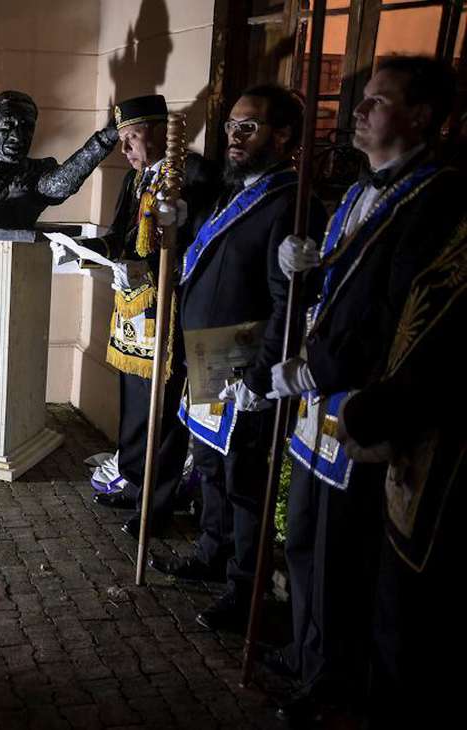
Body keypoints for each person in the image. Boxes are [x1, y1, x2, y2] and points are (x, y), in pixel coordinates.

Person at [269, 55, 462, 723]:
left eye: (376, 102)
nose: (358, 112)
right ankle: (306, 649)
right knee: (302, 537)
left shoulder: (437, 200)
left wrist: (317, 370)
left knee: (340, 553)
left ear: (421, 117)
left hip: (357, 396)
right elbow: (339, 289)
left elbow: (391, 313)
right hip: (316, 393)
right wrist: (303, 268)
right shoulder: (353, 191)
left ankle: (334, 682)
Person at [150, 86, 327, 634]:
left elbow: (288, 302)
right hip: (209, 354)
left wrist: (261, 374)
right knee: (208, 468)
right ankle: (211, 554)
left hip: (246, 361)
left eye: (248, 128)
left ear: (283, 136)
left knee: (245, 480)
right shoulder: (234, 191)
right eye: (231, 126)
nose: (233, 137)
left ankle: (247, 589)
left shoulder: (291, 202)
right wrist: (179, 222)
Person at [54, 94, 219, 537]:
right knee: (133, 400)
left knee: (162, 410)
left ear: (161, 132)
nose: (125, 150)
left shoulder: (194, 174)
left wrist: (167, 243)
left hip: (170, 310)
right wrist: (85, 250)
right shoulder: (134, 181)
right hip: (133, 312)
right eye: (122, 140)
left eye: (132, 138)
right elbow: (119, 236)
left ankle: (157, 501)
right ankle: (132, 476)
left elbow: (204, 248)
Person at [335, 215, 466, 728]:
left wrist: (368, 413)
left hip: (441, 466)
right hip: (417, 444)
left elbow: (443, 349)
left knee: (413, 642)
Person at [0, 90, 119, 228]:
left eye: (26, 127)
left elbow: (62, 183)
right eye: (8, 124)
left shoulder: (36, 173)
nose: (17, 136)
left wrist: (103, 141)